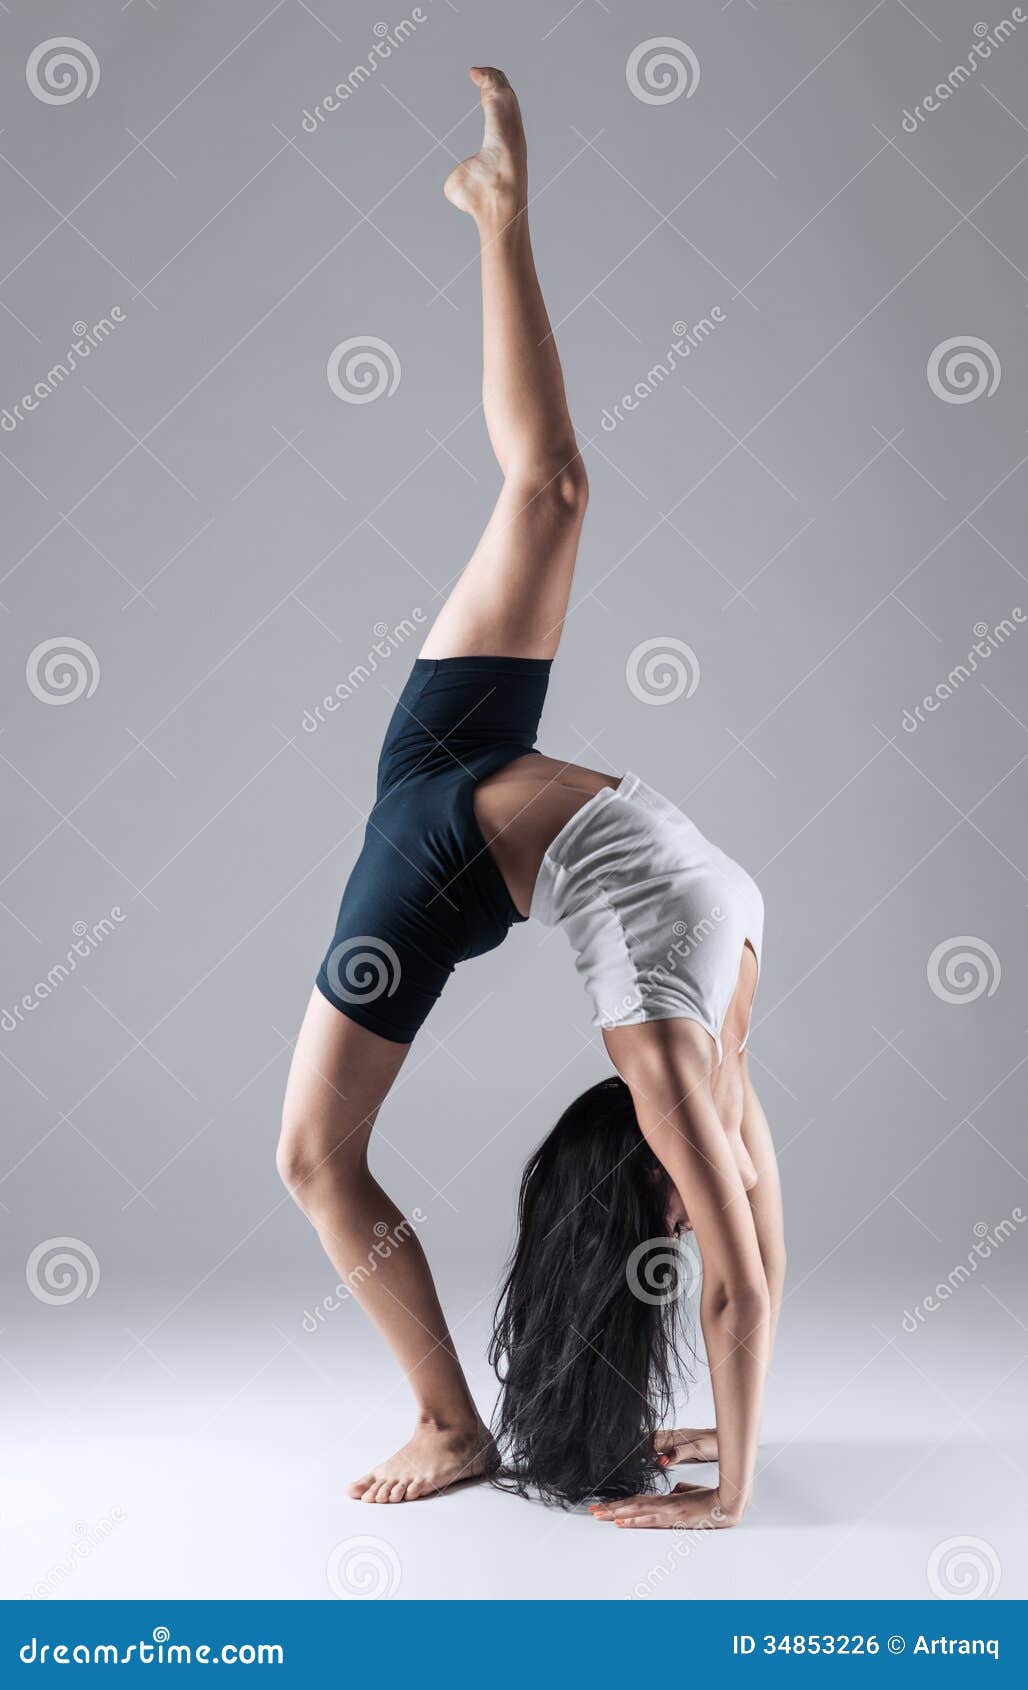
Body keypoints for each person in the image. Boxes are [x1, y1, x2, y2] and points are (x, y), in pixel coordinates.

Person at [278, 67, 785, 1528]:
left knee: (312, 1154)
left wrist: (723, 1466)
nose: (713, 1216)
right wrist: (730, 1487)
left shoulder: (691, 1066)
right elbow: (753, 1277)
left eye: (674, 1231)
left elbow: (754, 1264)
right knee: (552, 485)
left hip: (439, 846)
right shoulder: (693, 1073)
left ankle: (451, 1419)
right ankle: (500, 211)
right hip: (469, 771)